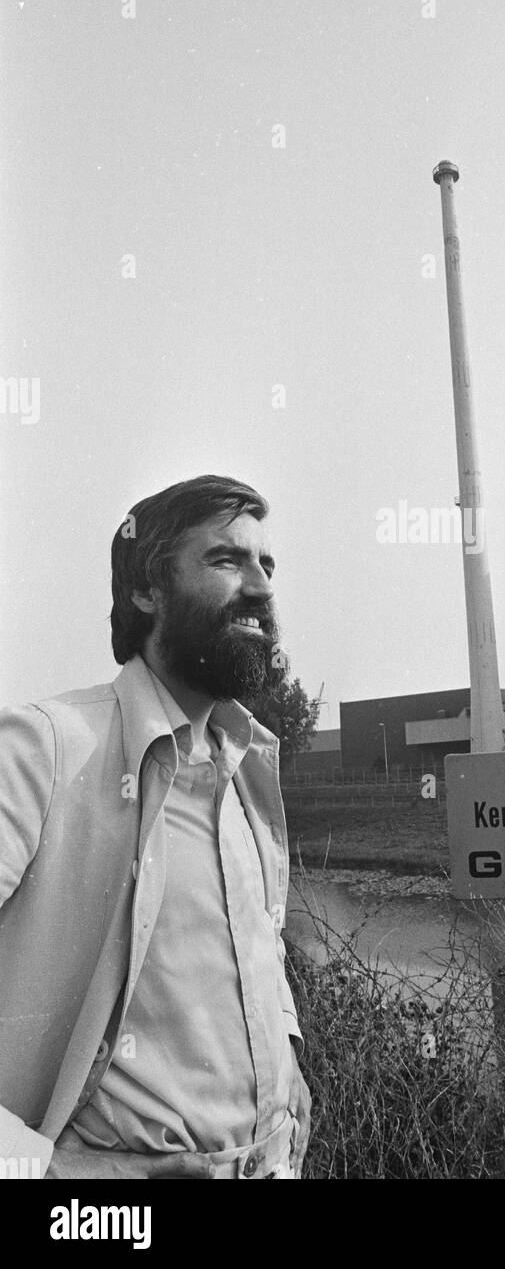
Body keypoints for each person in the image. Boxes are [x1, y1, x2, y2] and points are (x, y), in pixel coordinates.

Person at [0, 474, 311, 1179]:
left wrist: (287, 1057)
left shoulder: (244, 771)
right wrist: (43, 1170)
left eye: (267, 565)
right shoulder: (44, 750)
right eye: (226, 560)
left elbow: (254, 950)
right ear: (146, 589)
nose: (260, 587)